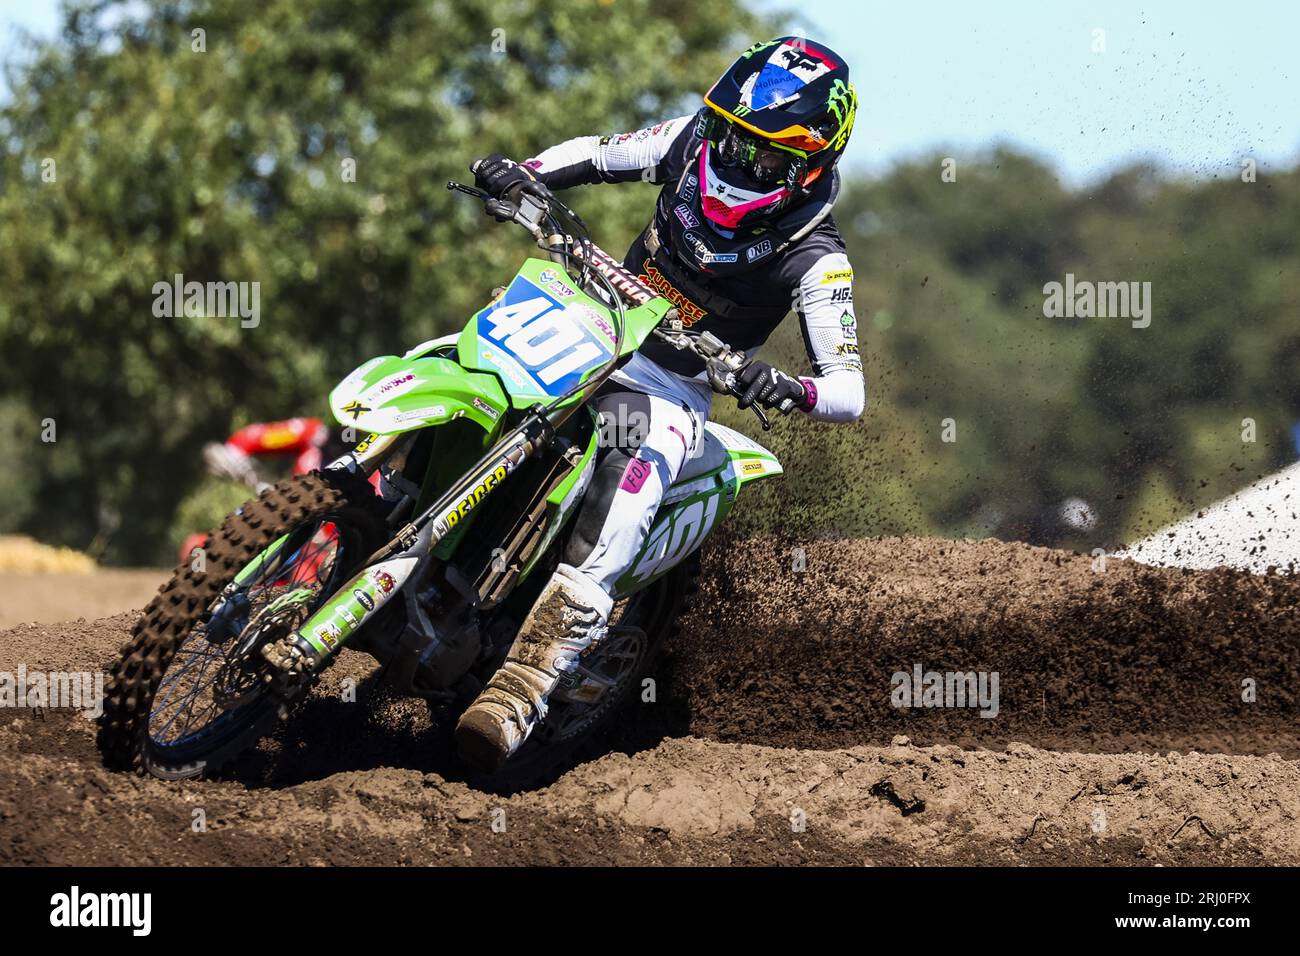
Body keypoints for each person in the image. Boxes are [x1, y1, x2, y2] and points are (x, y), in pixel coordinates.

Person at [454, 36, 866, 771]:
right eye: (730, 135)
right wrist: (524, 174)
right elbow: (598, 151)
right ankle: (364, 506)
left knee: (629, 479)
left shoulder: (817, 258)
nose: (735, 160)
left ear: (809, 167)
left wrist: (786, 386)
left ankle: (523, 684)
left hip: (670, 384)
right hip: (585, 316)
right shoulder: (688, 140)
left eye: (762, 155)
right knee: (460, 364)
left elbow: (847, 391)